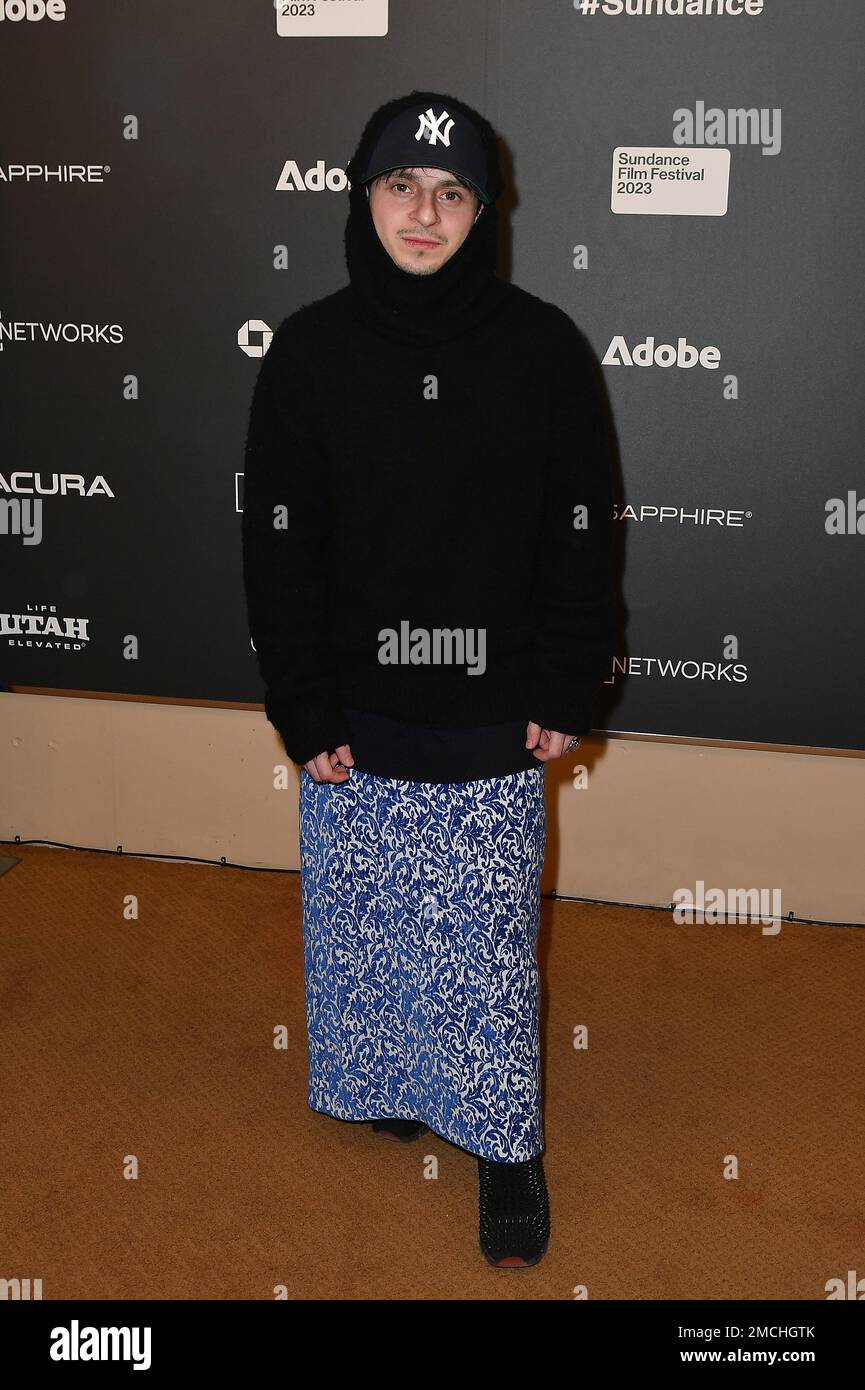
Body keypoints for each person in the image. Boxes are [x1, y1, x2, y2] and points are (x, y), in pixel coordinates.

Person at [241, 90, 615, 1268]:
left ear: (483, 211)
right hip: (354, 708)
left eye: (452, 192)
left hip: (493, 710)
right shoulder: (307, 349)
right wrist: (300, 704)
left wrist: (564, 684)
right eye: (400, 184)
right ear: (361, 195)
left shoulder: (542, 347)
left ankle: (504, 1141)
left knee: (488, 944)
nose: (423, 212)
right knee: (365, 925)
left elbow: (579, 536)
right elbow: (280, 544)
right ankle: (398, 1077)